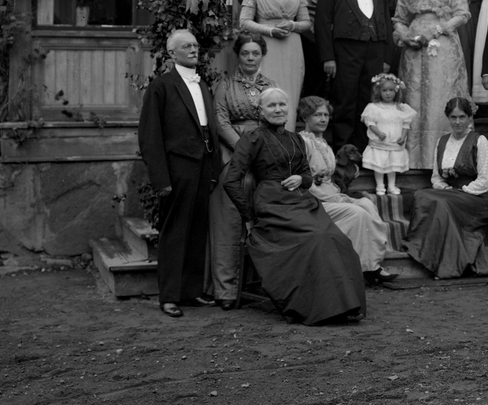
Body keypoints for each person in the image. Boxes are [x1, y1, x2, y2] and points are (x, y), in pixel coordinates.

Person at [224, 88, 366, 324]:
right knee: (316, 237)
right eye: (271, 106)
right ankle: (320, 307)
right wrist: (248, 217)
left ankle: (344, 304)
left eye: (282, 104)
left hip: (301, 202)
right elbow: (231, 180)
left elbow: (307, 175)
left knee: (336, 238)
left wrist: (302, 179)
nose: (278, 109)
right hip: (272, 206)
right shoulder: (252, 138)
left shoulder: (296, 138)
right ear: (261, 110)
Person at [137, 29, 217, 316]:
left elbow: (210, 128)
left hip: (203, 164)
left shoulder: (202, 84)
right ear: (172, 53)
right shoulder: (162, 86)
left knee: (197, 230)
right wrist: (161, 179)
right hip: (177, 168)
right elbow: (150, 136)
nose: (194, 49)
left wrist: (213, 167)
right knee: (174, 232)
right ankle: (169, 296)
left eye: (196, 45)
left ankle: (191, 292)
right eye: (187, 46)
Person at [207, 33, 276, 309]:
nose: (250, 58)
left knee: (266, 214)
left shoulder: (271, 86)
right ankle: (225, 291)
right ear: (238, 55)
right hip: (232, 154)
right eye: (245, 53)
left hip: (264, 154)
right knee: (228, 218)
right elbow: (221, 122)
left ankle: (263, 285)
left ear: (262, 55)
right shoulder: (224, 84)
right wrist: (244, 152)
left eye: (255, 53)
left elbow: (276, 118)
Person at [297, 95, 397, 284]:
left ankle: (371, 264)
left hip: (331, 194)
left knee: (367, 203)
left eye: (326, 115)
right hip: (314, 200)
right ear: (305, 117)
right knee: (357, 212)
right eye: (317, 115)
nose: (323, 119)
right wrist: (335, 197)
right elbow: (304, 180)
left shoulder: (323, 143)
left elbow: (330, 174)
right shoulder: (303, 143)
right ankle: (358, 267)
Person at [393, 0, 472, 168]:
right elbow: (399, 18)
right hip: (414, 48)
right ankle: (415, 160)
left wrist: (438, 30)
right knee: (415, 95)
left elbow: (462, 13)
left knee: (439, 93)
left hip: (443, 44)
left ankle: (443, 160)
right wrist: (406, 35)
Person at [403, 97, 488, 279]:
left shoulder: (480, 141)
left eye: (462, 117)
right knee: (422, 195)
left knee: (441, 204)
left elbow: (484, 181)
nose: (458, 122)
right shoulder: (442, 141)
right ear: (448, 118)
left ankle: (447, 266)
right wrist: (444, 188)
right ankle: (427, 253)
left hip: (475, 197)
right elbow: (436, 177)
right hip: (450, 194)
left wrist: (460, 192)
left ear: (470, 118)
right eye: (453, 117)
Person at [315, 0, 391, 150]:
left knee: (370, 99)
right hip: (345, 51)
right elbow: (322, 24)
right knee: (345, 99)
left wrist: (386, 57)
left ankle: (367, 148)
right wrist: (328, 57)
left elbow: (385, 21)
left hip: (374, 51)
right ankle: (344, 150)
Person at [239, 0, 310, 129]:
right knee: (267, 92)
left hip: (292, 47)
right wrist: (270, 30)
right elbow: (244, 21)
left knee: (289, 95)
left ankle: (288, 137)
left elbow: (306, 23)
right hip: (266, 47)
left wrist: (292, 25)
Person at [361, 73, 417, 195]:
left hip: (394, 142)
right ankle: (380, 185)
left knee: (392, 165)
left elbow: (406, 124)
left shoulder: (401, 108)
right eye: (384, 90)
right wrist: (378, 132)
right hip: (380, 142)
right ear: (378, 91)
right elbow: (370, 122)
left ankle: (392, 185)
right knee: (379, 163)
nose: (388, 93)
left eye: (391, 90)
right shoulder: (374, 107)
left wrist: (403, 136)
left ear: (396, 91)